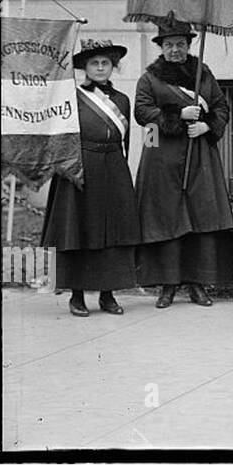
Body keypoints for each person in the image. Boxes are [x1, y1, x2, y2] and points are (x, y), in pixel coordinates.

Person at [133, 17, 233, 308]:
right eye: (169, 45)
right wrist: (177, 115)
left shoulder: (202, 73)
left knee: (199, 218)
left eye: (180, 44)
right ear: (161, 48)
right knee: (168, 220)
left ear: (189, 46)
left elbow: (221, 107)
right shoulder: (150, 78)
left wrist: (207, 126)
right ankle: (168, 285)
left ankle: (197, 284)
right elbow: (142, 111)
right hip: (163, 157)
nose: (175, 50)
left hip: (199, 154)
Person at [42, 39, 139, 317]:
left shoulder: (122, 100)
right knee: (81, 229)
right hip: (81, 167)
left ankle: (108, 295)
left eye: (105, 63)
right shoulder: (72, 96)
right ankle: (77, 295)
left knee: (112, 232)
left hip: (114, 167)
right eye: (94, 63)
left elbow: (127, 139)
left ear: (113, 67)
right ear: (84, 67)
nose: (99, 67)